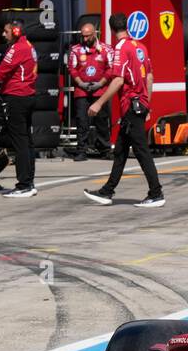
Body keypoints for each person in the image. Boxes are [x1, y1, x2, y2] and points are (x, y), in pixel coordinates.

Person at [82, 12, 165, 209]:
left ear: (111, 30)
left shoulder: (120, 48)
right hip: (140, 104)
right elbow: (150, 77)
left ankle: (156, 193)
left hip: (131, 105)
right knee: (120, 150)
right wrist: (147, 105)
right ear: (127, 26)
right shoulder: (140, 47)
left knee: (141, 150)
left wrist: (98, 103)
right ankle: (107, 191)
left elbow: (118, 80)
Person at [0, 18, 39, 196]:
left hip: (17, 97)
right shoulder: (29, 45)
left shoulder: (17, 48)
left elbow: (0, 73)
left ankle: (24, 185)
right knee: (27, 141)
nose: (3, 34)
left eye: (6, 31)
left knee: (20, 142)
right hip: (28, 94)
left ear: (15, 31)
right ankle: (29, 182)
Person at [68, 20, 111, 161]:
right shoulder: (75, 50)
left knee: (102, 120)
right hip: (82, 90)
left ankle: (105, 149)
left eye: (88, 36)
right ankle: (81, 150)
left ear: (95, 34)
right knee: (82, 121)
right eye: (83, 36)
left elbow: (110, 68)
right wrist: (81, 83)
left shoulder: (106, 49)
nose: (85, 39)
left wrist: (100, 83)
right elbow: (72, 69)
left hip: (101, 89)